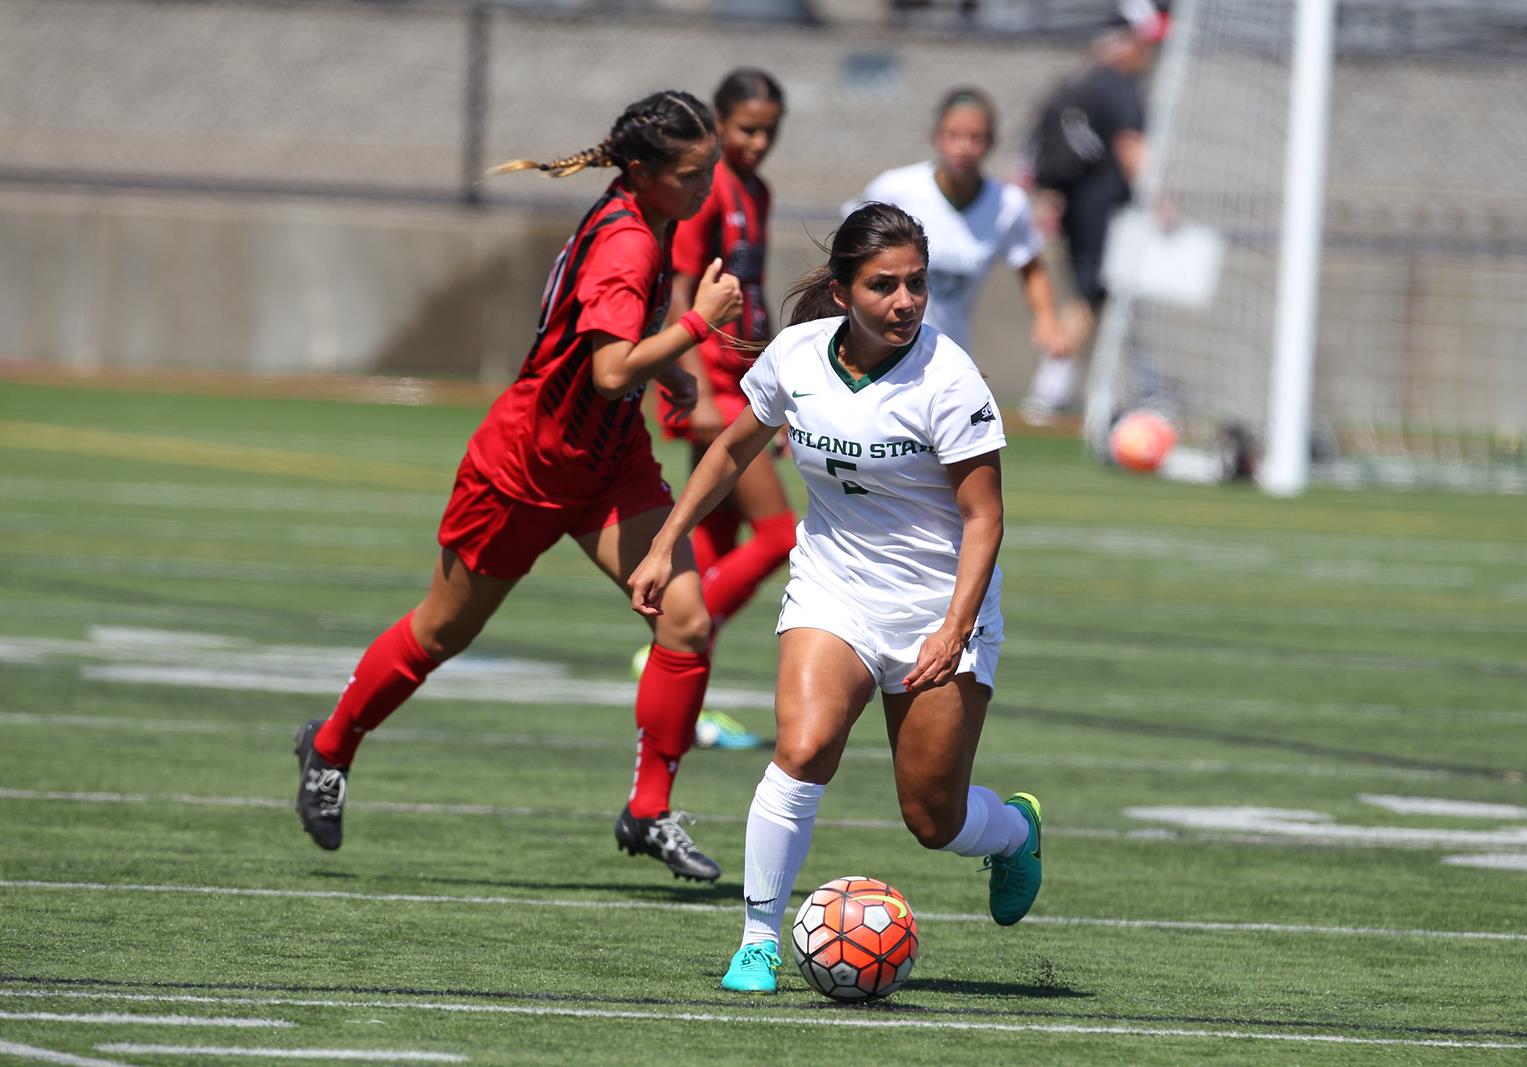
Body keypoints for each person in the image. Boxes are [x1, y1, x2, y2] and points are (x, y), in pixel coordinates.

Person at [293, 90, 743, 883]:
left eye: (711, 171)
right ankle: (330, 746)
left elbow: (604, 341)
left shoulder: (645, 216)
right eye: (692, 173)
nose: (707, 186)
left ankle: (647, 810)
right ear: (641, 171)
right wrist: (696, 330)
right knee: (440, 634)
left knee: (685, 616)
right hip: (525, 468)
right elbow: (606, 371)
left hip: (607, 463)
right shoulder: (630, 241)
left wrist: (668, 365)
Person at [628, 202, 1044, 994]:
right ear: (843, 290)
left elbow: (984, 516)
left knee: (933, 819)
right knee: (805, 745)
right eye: (884, 285)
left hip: (939, 608)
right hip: (834, 588)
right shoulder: (796, 356)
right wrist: (663, 540)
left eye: (916, 284)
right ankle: (757, 941)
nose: (906, 302)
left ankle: (1015, 830)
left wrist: (954, 630)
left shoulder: (950, 378)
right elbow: (729, 450)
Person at [652, 69, 796, 751]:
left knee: (714, 541)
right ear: (719, 122)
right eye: (746, 128)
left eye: (769, 130)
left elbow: (754, 291)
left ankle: (689, 689)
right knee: (778, 536)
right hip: (714, 384)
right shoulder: (707, 192)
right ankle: (679, 634)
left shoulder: (757, 191)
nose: (759, 142)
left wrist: (782, 379)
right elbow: (680, 289)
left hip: (748, 378)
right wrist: (699, 388)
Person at [847, 87, 1073, 393]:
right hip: (880, 351)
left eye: (975, 137)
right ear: (936, 137)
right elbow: (849, 252)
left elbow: (1030, 265)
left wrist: (1046, 318)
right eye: (953, 135)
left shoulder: (1006, 204)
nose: (963, 147)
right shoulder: (896, 188)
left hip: (945, 357)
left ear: (991, 142)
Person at [1018, 6, 1162, 424]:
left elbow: (1036, 150)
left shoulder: (1071, 86)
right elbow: (1131, 146)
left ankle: (1149, 386)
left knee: (1114, 296)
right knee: (1091, 294)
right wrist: (1160, 200)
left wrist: (1047, 198)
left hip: (1074, 210)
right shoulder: (1119, 87)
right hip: (1107, 212)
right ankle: (1051, 385)